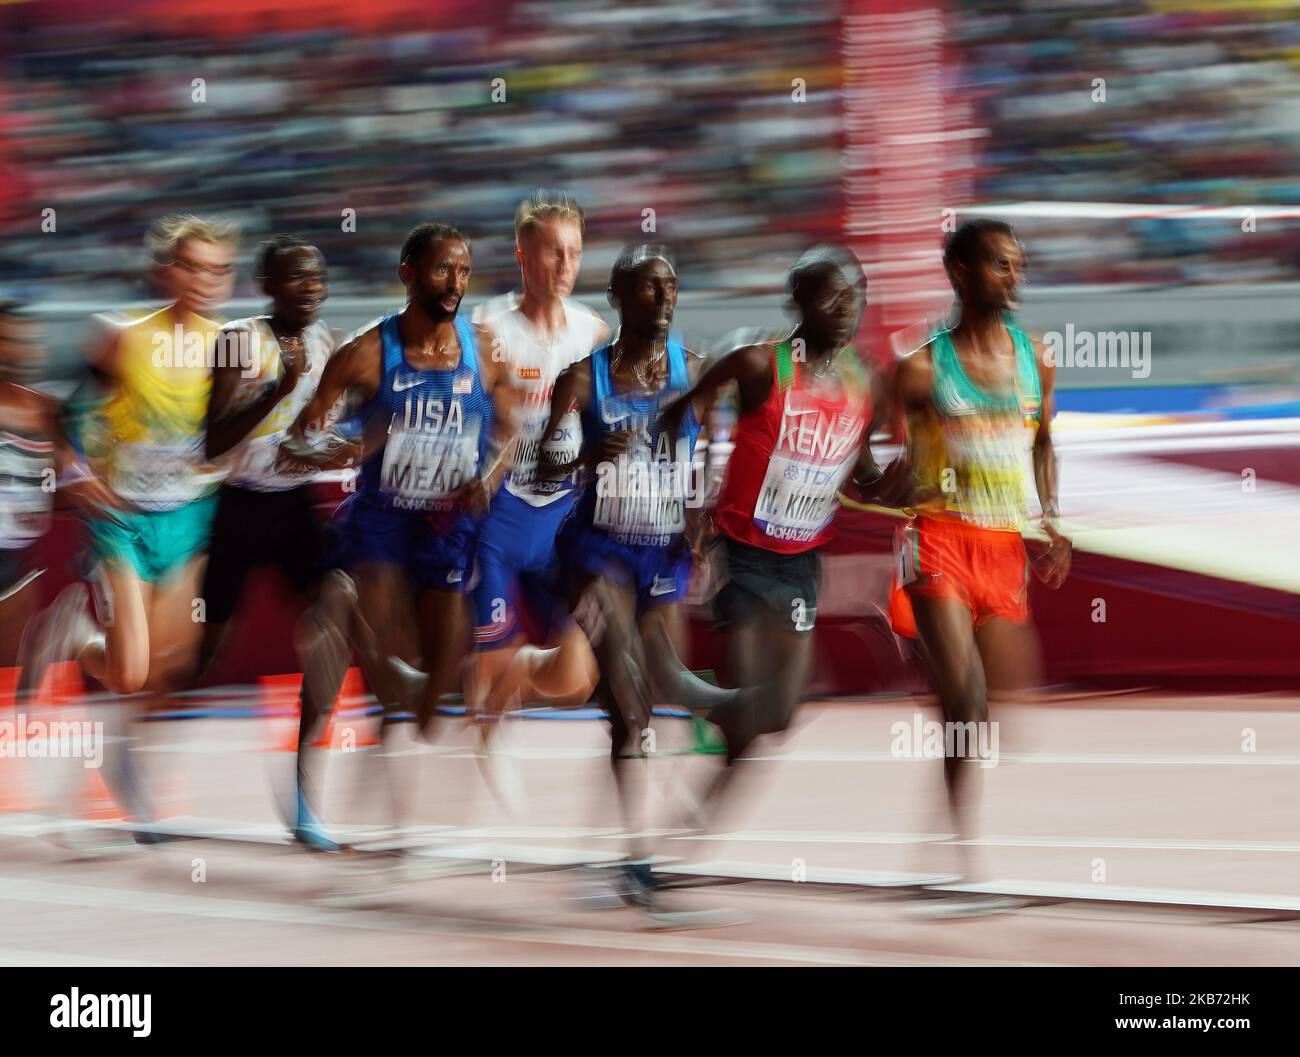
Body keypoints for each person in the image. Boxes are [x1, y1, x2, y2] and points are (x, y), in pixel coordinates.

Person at [279, 220, 520, 841]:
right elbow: (298, 438)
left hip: (446, 530)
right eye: (442, 269)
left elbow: (514, 431)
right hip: (381, 526)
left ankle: (388, 709)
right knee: (371, 655)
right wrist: (336, 450)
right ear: (408, 274)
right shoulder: (365, 352)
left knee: (433, 700)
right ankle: (309, 782)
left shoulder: (485, 348)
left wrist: (489, 479)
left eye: (464, 271)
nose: (455, 284)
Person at [22, 214, 238, 836]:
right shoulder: (121, 337)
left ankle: (131, 771)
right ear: (165, 271)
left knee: (173, 666)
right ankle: (73, 629)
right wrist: (75, 473)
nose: (205, 281)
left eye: (219, 270)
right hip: (123, 519)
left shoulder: (230, 345)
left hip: (190, 518)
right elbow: (65, 417)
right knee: (131, 670)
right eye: (192, 267)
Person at [886, 218, 1070, 897]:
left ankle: (937, 843)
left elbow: (1045, 441)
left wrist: (1049, 517)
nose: (1014, 276)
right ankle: (959, 858)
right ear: (960, 273)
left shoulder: (1038, 357)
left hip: (1002, 546)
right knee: (965, 699)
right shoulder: (922, 366)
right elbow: (873, 452)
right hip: (936, 540)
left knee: (993, 710)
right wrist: (891, 483)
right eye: (1000, 264)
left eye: (1018, 264)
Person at [467, 191, 605, 808]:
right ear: (524, 256)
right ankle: (491, 738)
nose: (566, 264)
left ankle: (518, 678)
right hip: (501, 518)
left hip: (563, 519)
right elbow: (468, 417)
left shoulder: (594, 331)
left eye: (574, 251)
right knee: (486, 668)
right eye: (554, 251)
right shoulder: (491, 332)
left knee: (577, 680)